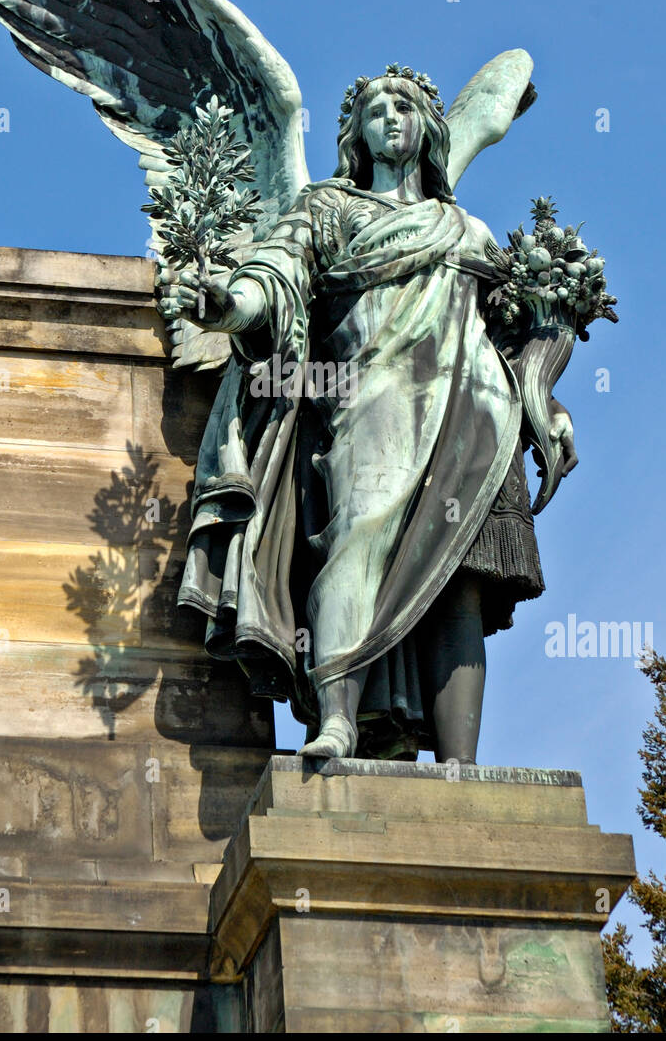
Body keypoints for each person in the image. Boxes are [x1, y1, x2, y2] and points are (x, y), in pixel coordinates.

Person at [160, 69, 576, 762]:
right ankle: (339, 720)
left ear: (428, 128)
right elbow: (275, 275)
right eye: (376, 109)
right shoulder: (327, 207)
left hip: (474, 411)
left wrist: (546, 401)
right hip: (366, 404)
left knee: (457, 584)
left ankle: (460, 767)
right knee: (355, 546)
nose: (390, 117)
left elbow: (505, 334)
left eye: (404, 106)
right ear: (355, 133)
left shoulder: (464, 228)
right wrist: (226, 306)